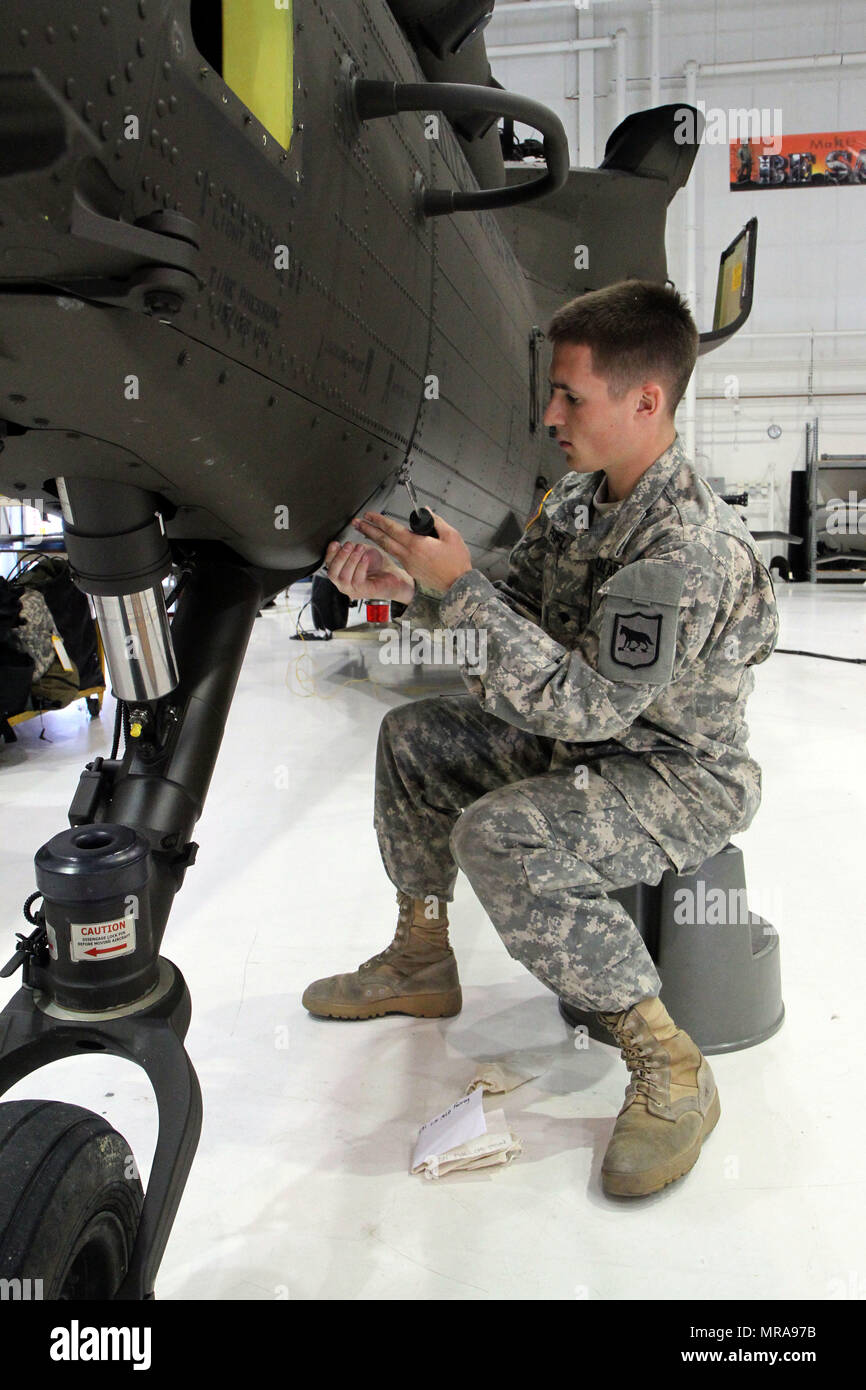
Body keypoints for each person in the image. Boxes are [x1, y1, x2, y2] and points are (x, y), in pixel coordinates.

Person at [302, 280, 779, 1197]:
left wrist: (461, 591)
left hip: (676, 771)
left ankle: (669, 1062)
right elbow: (519, 598)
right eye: (552, 392)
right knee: (415, 740)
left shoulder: (685, 549)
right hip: (595, 743)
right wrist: (416, 582)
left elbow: (583, 704)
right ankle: (422, 953)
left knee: (501, 834)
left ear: (647, 401)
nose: (548, 413)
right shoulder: (580, 498)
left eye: (570, 396)